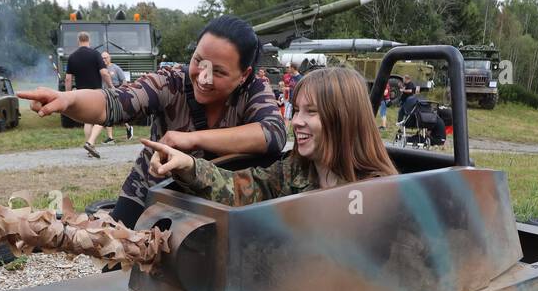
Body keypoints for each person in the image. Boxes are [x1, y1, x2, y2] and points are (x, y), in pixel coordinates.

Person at [20, 15, 287, 226]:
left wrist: (190, 138)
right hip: (156, 190)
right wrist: (68, 99)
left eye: (218, 71)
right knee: (117, 258)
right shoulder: (170, 82)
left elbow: (273, 134)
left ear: (244, 75)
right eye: (198, 62)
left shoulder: (254, 89)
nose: (203, 78)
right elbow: (114, 103)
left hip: (226, 196)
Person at [140, 66, 396, 205]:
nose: (296, 121)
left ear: (344, 119)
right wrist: (188, 165)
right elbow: (239, 189)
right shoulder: (293, 171)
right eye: (296, 111)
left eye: (311, 112)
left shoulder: (382, 192)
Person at [64, 31, 113, 158]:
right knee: (104, 117)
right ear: (89, 40)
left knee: (87, 120)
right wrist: (111, 87)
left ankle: (90, 149)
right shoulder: (95, 54)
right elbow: (104, 73)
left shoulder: (72, 57)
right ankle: (90, 142)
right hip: (96, 92)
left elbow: (68, 79)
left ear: (78, 41)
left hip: (81, 94)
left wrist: (68, 95)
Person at [100, 50, 132, 144]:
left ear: (110, 58)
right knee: (109, 115)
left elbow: (124, 81)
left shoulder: (116, 68)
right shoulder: (101, 69)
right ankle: (110, 138)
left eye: (105, 58)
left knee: (118, 114)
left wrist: (120, 91)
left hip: (115, 94)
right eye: (102, 58)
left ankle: (129, 127)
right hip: (105, 94)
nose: (104, 59)